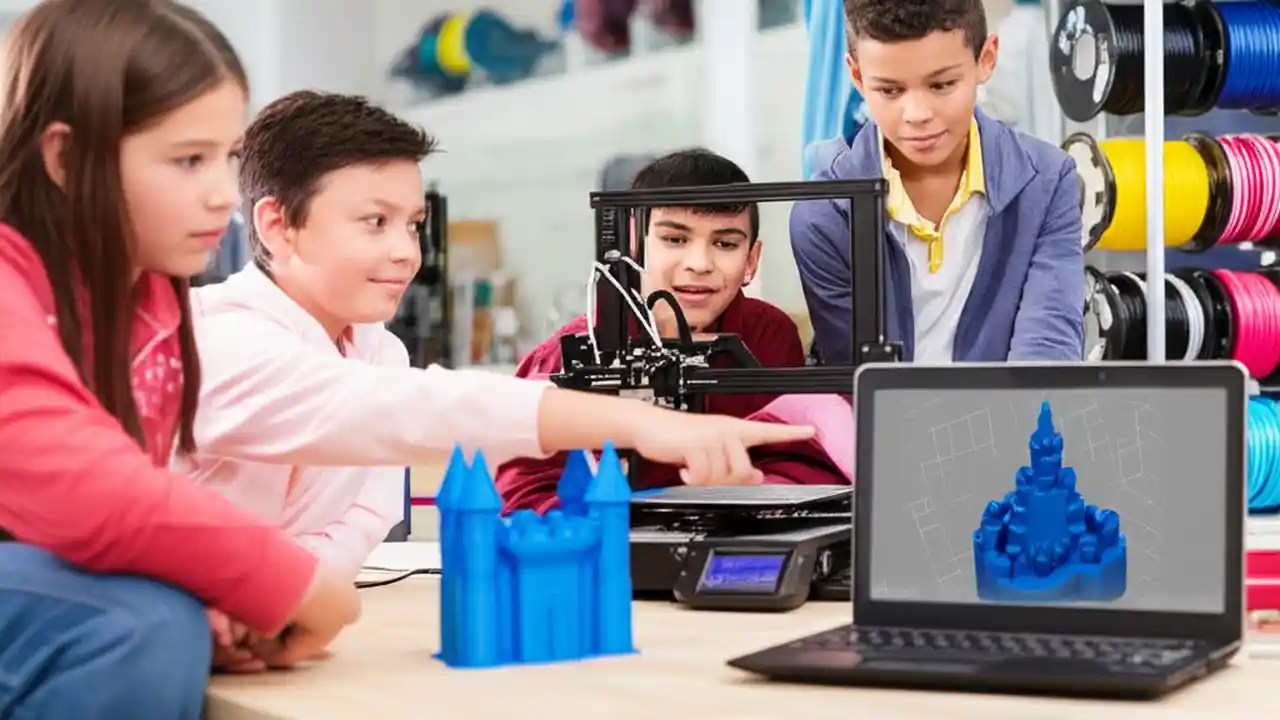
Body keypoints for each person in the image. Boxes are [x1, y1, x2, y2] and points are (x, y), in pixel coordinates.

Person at [174, 96, 817, 590]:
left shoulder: (378, 351)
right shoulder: (218, 341)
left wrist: (290, 595)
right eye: (376, 222)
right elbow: (411, 411)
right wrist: (644, 426)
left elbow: (360, 519)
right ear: (278, 225)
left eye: (414, 223)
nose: (406, 251)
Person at [0, 1, 360, 718]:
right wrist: (289, 581)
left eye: (229, 158)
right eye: (188, 159)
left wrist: (206, 587)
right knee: (137, 629)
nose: (224, 194)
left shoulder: (148, 293)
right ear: (66, 158)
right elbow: (81, 488)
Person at [496, 149, 853, 514]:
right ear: (634, 245)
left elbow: (802, 459)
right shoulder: (570, 353)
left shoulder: (770, 335)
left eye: (725, 244)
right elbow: (517, 497)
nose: (699, 264)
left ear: (751, 261)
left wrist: (746, 490)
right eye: (675, 239)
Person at [791, 0, 1084, 366]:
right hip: (883, 421)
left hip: (1014, 418)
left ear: (986, 58)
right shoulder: (824, 216)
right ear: (857, 76)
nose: (918, 115)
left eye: (942, 84)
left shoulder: (1049, 181)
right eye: (890, 91)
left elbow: (1047, 353)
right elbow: (858, 380)